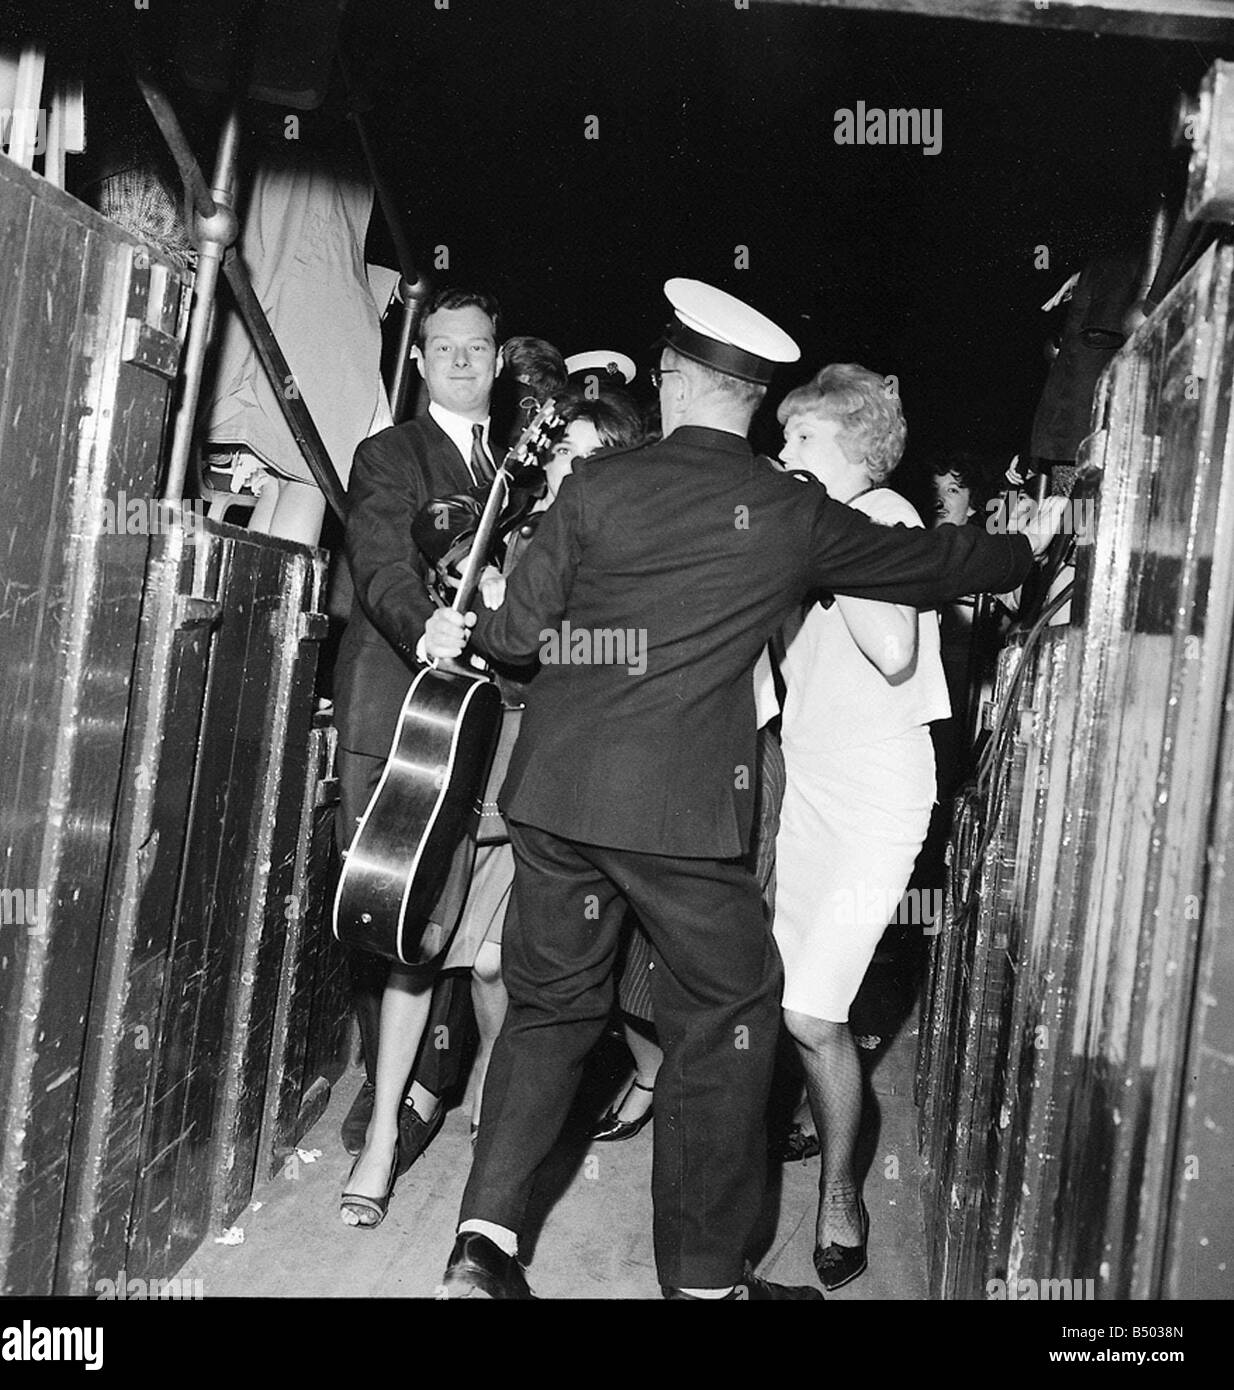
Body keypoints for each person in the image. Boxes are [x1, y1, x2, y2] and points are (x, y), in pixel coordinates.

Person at [424, 278, 1056, 1301]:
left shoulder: (593, 489)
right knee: (727, 1017)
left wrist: (473, 626)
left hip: (558, 799)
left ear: (670, 378)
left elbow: (512, 642)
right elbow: (934, 564)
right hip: (681, 814)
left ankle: (480, 1247)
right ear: (755, 401)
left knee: (547, 1011)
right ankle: (707, 1282)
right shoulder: (788, 511)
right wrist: (1035, 545)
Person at [767, 364, 950, 1291]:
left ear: (850, 449)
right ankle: (822, 1120)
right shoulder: (814, 532)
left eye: (802, 439)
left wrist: (819, 550)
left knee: (811, 1008)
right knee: (797, 999)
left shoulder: (884, 520)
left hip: (877, 797)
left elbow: (893, 649)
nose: (783, 450)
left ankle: (843, 1194)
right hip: (811, 789)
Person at [332, 286, 513, 1227]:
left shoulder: (519, 471)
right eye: (442, 347)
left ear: (496, 357)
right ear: (420, 359)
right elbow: (380, 563)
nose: (458, 361)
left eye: (476, 348)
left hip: (487, 717)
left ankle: (437, 1081)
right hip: (397, 702)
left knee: (468, 917)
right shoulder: (389, 455)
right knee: (387, 902)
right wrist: (425, 628)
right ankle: (385, 1094)